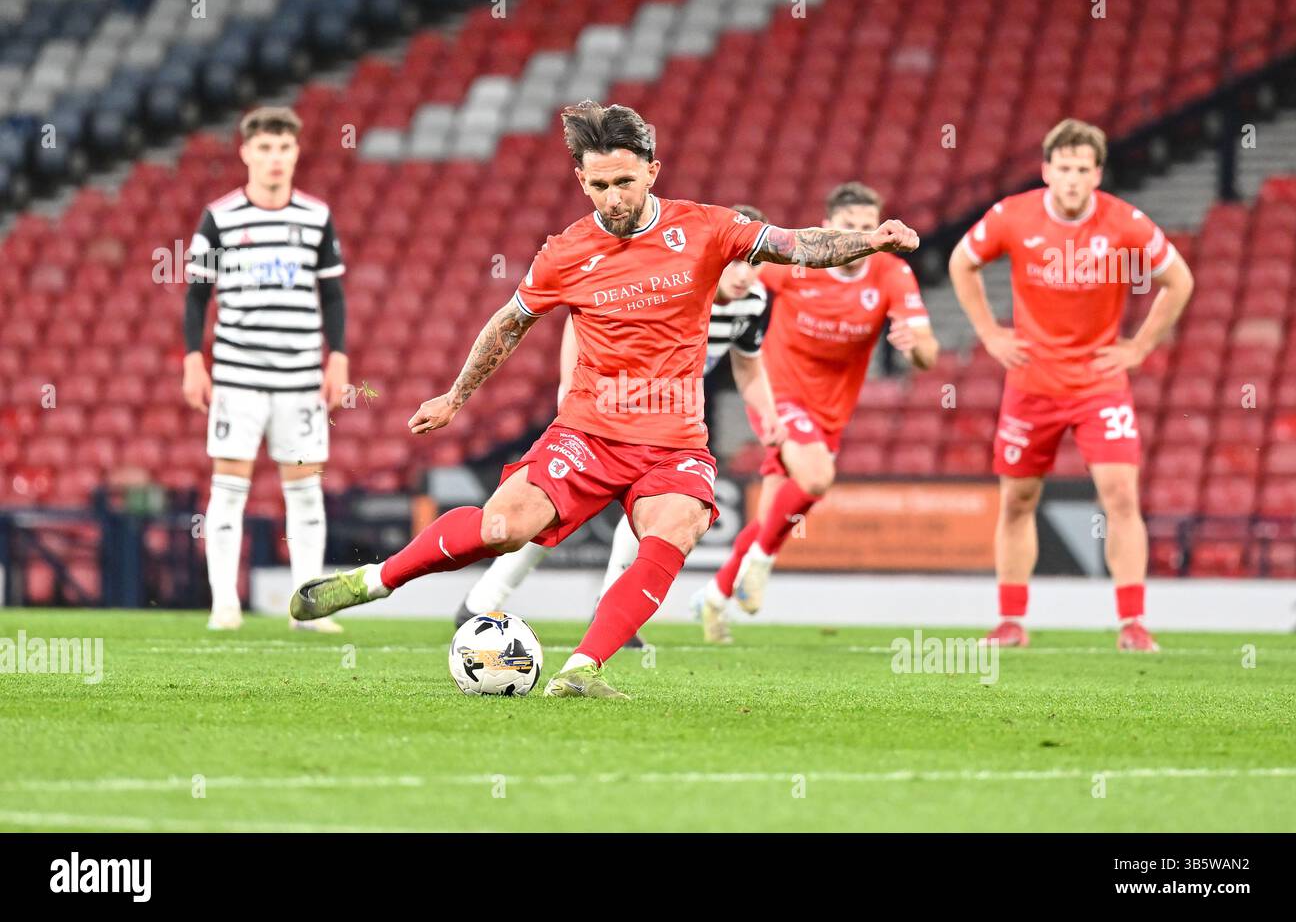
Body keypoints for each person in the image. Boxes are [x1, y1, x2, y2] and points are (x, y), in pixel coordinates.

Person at [291, 101, 918, 698]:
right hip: (588, 431)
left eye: (623, 182)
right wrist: (456, 397)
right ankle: (371, 581)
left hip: (673, 440)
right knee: (503, 529)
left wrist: (871, 242)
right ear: (580, 181)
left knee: (678, 524)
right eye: (598, 187)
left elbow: (795, 245)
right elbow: (509, 323)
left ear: (652, 170)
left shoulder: (704, 227)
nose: (612, 200)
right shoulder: (567, 250)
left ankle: (581, 668)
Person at [450, 205, 786, 648]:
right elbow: (585, 320)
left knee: (650, 505)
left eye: (755, 263)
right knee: (553, 504)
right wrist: (569, 388)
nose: (744, 275)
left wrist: (768, 419)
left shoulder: (754, 304)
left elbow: (748, 367)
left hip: (668, 418)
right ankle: (485, 597)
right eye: (737, 262)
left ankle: (609, 605)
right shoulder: (676, 275)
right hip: (605, 404)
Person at [948, 118, 1194, 651]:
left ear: (1098, 173)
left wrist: (1140, 347)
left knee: (1121, 497)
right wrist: (990, 333)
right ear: (1046, 170)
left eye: (1083, 170)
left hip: (1098, 384)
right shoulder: (1013, 215)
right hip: (1030, 384)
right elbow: (961, 262)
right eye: (1064, 169)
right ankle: (1011, 621)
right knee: (1017, 501)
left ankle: (1132, 623)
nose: (1073, 180)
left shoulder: (1124, 222)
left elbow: (1180, 280)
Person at [694, 182, 938, 640]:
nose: (862, 237)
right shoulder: (798, 264)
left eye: (870, 227)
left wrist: (914, 348)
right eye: (850, 228)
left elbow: (928, 353)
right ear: (827, 228)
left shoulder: (890, 273)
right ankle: (763, 561)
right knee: (818, 478)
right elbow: (735, 277)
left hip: (832, 411)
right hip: (779, 394)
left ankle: (714, 596)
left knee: (771, 516)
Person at [182, 106, 349, 633]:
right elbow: (196, 296)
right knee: (228, 487)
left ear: (296, 152)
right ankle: (224, 604)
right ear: (246, 152)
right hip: (236, 375)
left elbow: (333, 294)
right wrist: (193, 360)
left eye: (284, 148)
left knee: (304, 489)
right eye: (265, 148)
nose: (275, 158)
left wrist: (338, 357)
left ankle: (308, 609)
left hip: (300, 377)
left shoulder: (316, 217)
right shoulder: (220, 216)